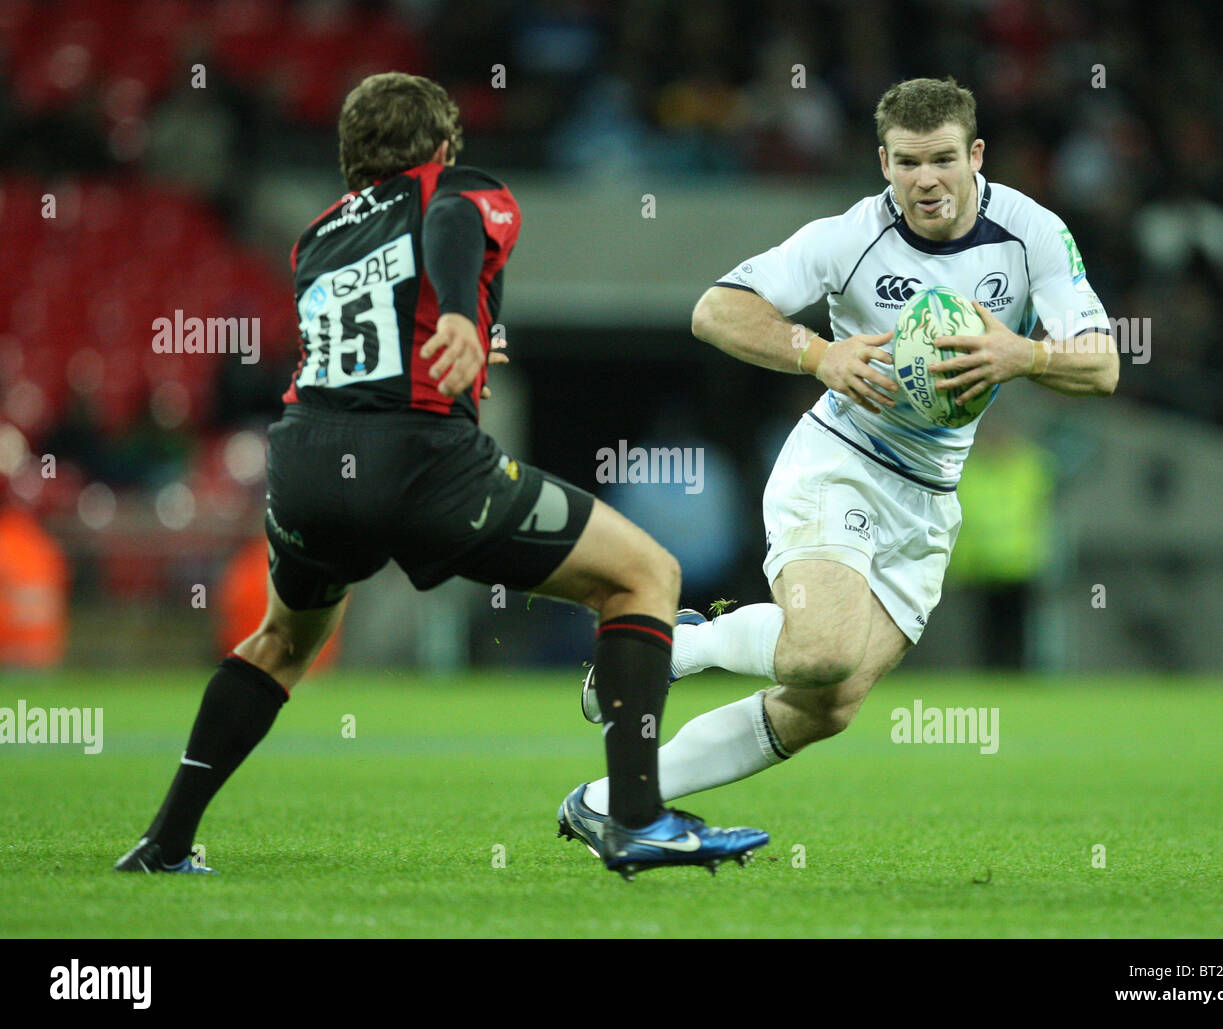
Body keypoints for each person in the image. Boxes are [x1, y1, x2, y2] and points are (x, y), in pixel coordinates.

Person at [115, 72, 766, 880]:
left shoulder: (316, 236)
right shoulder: (459, 188)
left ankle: (165, 842)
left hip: (306, 462)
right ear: (442, 145)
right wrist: (462, 310)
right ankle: (635, 815)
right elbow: (453, 218)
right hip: (418, 458)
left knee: (282, 640)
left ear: (352, 161)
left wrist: (467, 319)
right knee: (645, 574)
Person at [561, 77, 1117, 836]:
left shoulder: (1034, 235)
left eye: (945, 160)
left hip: (930, 497)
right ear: (883, 161)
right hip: (840, 461)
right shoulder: (850, 238)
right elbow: (715, 309)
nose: (928, 180)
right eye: (909, 162)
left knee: (829, 703)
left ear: (976, 155)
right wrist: (817, 354)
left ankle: (608, 800)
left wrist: (1022, 353)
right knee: (819, 653)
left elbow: (1103, 366)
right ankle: (675, 644)